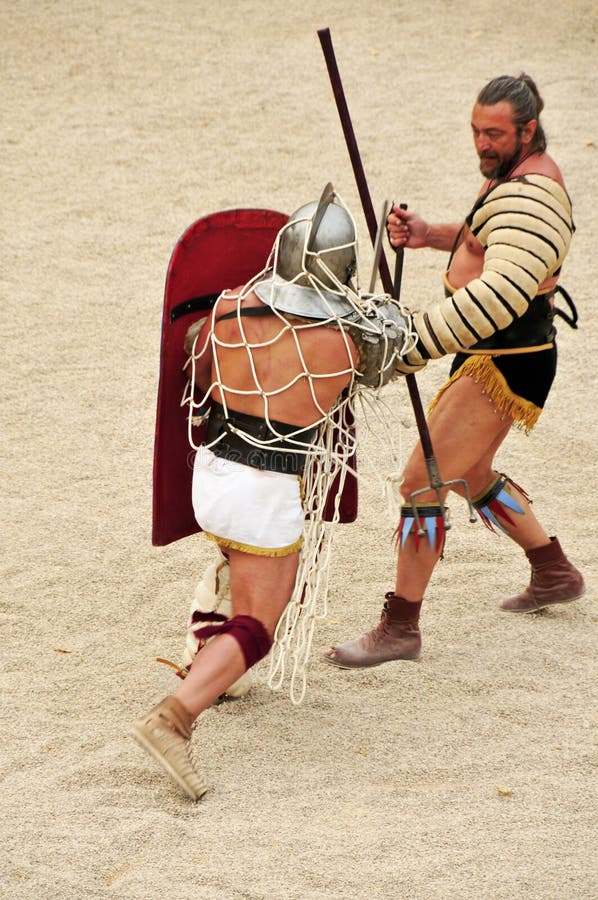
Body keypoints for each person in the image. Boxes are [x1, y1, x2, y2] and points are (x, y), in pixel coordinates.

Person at [132, 187, 411, 799]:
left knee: (241, 573)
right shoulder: (342, 340)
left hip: (211, 475)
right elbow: (397, 354)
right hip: (266, 491)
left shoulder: (228, 306)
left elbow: (194, 362)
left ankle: (210, 654)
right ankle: (175, 716)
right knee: (261, 624)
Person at [324, 73, 585, 669]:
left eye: (495, 133)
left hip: (505, 360)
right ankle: (552, 571)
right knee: (466, 472)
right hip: (495, 355)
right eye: (476, 131)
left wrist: (412, 342)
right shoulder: (513, 182)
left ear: (529, 129)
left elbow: (500, 294)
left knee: (423, 478)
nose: (482, 144)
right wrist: (427, 235)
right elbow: (485, 242)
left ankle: (400, 628)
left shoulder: (535, 197)